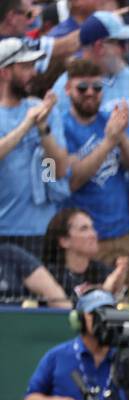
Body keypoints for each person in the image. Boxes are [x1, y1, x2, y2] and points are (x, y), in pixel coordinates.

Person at [61, 61, 129, 294]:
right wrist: (108, 142)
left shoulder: (111, 120)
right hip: (85, 239)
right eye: (82, 88)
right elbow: (73, 180)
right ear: (68, 89)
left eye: (97, 88)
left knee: (128, 304)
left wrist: (121, 137)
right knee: (92, 304)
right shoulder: (62, 127)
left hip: (123, 233)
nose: (90, 93)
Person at [0, 39, 71, 257]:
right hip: (4, 230)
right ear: (5, 73)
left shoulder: (44, 111)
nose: (33, 73)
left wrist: (42, 131)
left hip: (44, 229)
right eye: (25, 67)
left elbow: (54, 171)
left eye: (33, 66)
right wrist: (26, 125)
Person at [41, 207, 128, 297]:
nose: (93, 234)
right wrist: (104, 291)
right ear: (64, 241)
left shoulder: (102, 272)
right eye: (84, 229)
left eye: (92, 228)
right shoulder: (49, 276)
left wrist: (118, 289)